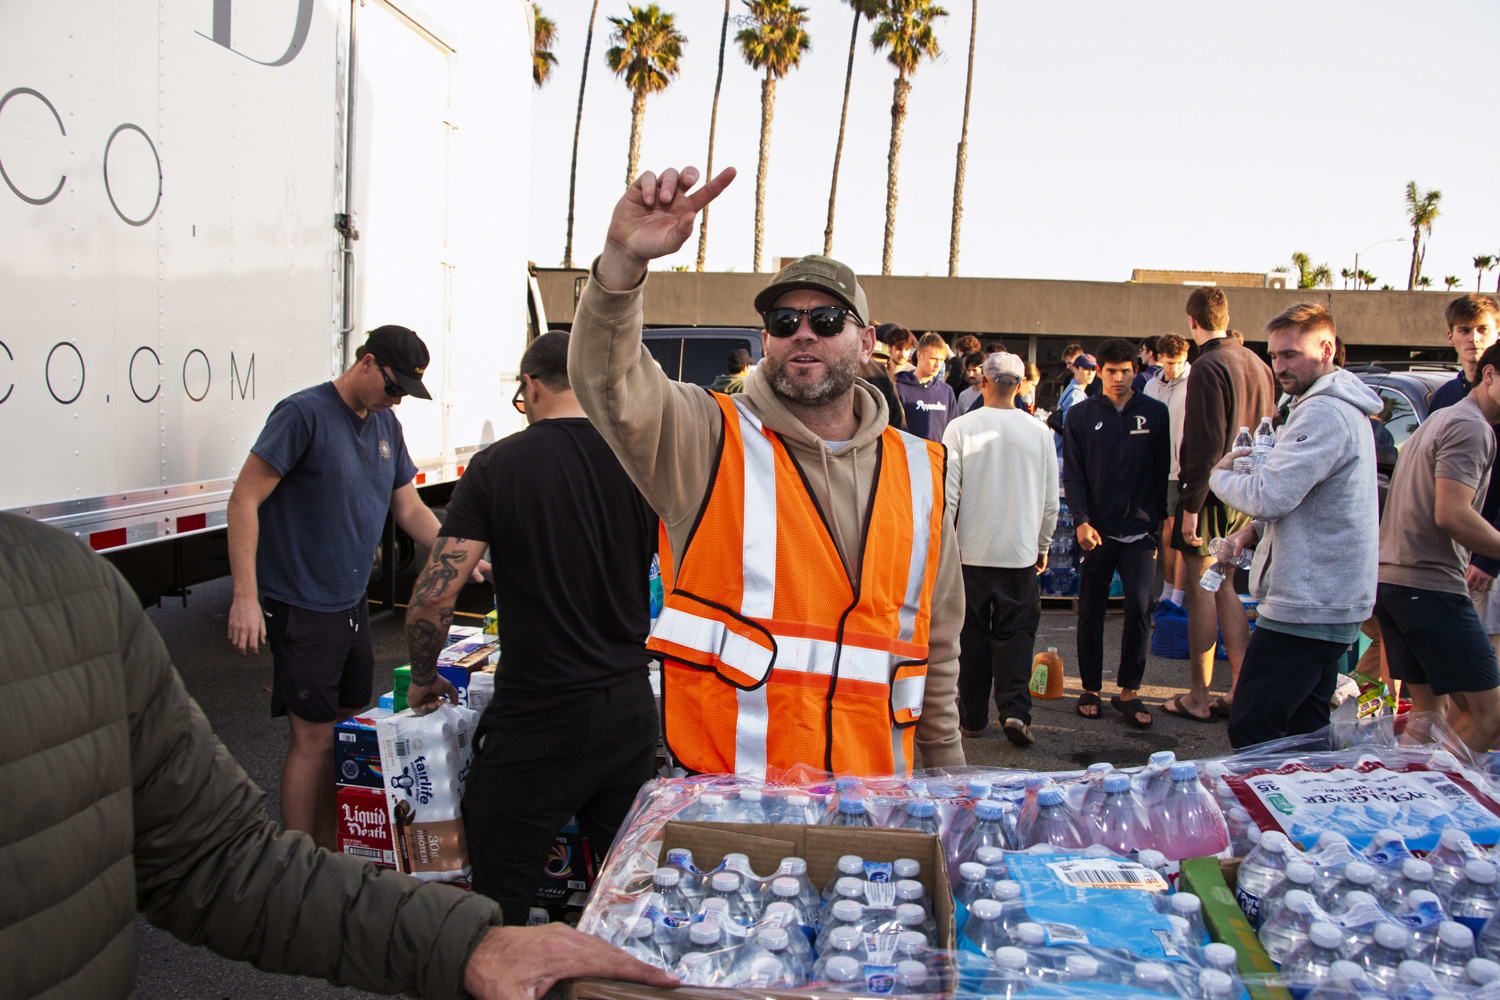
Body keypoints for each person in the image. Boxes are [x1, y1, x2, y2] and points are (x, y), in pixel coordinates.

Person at [0, 511, 676, 1000]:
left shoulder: (67, 591)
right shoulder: (68, 588)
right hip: (619, 707)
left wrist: (472, 943)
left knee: (492, 854)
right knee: (317, 737)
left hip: (490, 694)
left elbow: (216, 859)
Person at [568, 164, 965, 775]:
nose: (803, 334)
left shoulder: (920, 472)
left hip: (873, 806)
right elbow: (608, 381)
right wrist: (622, 262)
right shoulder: (706, 436)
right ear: (766, 340)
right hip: (734, 809)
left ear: (867, 344)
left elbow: (936, 654)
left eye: (826, 321)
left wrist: (947, 782)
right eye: (784, 323)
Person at [400, 332, 658, 925]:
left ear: (532, 386)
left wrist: (423, 676)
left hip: (539, 713)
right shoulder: (639, 461)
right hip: (627, 709)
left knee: (500, 898)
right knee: (629, 889)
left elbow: (433, 596)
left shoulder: (499, 464)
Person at [224, 325, 485, 849]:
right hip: (302, 602)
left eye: (405, 393)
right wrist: (245, 596)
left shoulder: (386, 424)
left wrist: (462, 556)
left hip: (350, 604)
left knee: (343, 733)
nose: (396, 400)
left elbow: (408, 508)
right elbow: (244, 499)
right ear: (366, 362)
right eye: (393, 387)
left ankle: (328, 851)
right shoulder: (302, 415)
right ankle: (298, 861)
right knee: (312, 738)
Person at [1206, 304, 1382, 748]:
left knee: (1254, 728)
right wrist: (1254, 531)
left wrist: (1218, 476)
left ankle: (1271, 797)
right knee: (1306, 730)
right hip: (1324, 599)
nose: (1279, 366)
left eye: (1291, 354)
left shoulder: (1324, 412)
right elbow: (1311, 499)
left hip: (1309, 605)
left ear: (1327, 350)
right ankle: (1309, 793)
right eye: (1274, 355)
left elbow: (1271, 494)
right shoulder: (1322, 407)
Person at [1376, 341, 1500, 751]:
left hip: (1394, 583)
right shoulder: (1471, 426)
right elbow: (1452, 515)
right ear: (1489, 374)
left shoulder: (1443, 416)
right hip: (1428, 585)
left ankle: (1409, 789)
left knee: (1430, 713)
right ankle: (1441, 791)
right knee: (1489, 716)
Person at [1164, 288, 1276, 724]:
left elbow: (1205, 441)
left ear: (1192, 322)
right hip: (1248, 492)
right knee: (1226, 583)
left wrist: (1190, 505)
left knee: (1203, 589)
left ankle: (1198, 695)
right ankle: (1239, 688)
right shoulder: (1258, 364)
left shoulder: (1208, 366)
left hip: (1213, 492)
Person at [942, 352, 1059, 747]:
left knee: (971, 638)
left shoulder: (960, 428)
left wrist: (943, 546)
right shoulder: (1039, 432)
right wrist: (1042, 545)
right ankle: (1014, 711)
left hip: (969, 552)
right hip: (1020, 551)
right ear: (1021, 386)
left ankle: (972, 718)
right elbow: (1050, 502)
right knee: (1017, 636)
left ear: (983, 382)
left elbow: (948, 495)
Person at [1061, 338, 1170, 729]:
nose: (1119, 378)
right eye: (1111, 371)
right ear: (1100, 373)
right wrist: (1081, 520)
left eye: (1125, 371)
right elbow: (1073, 474)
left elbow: (1162, 470)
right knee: (1091, 610)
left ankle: (1129, 690)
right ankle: (1090, 687)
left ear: (1135, 371)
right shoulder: (1080, 415)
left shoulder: (1155, 413)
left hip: (1140, 532)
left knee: (1139, 607)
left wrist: (1159, 521)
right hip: (1097, 530)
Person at [1428, 295, 1500, 661]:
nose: (1474, 338)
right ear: (1450, 336)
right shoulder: (1444, 397)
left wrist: (1489, 560)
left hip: (1489, 547)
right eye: (1465, 330)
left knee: (1487, 657)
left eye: (1483, 329)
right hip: (1445, 551)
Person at [1143, 333, 1191, 610]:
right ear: (1160, 359)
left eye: (1180, 362)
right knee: (1162, 534)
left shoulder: (1194, 383)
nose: (1175, 368)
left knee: (1176, 533)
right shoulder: (1151, 386)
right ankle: (1167, 591)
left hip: (1179, 470)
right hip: (1155, 469)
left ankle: (1175, 596)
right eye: (1170, 363)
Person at [897, 331, 961, 442]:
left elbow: (954, 429)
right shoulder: (899, 387)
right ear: (919, 355)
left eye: (941, 360)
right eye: (933, 359)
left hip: (938, 452)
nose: (938, 364)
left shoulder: (946, 391)